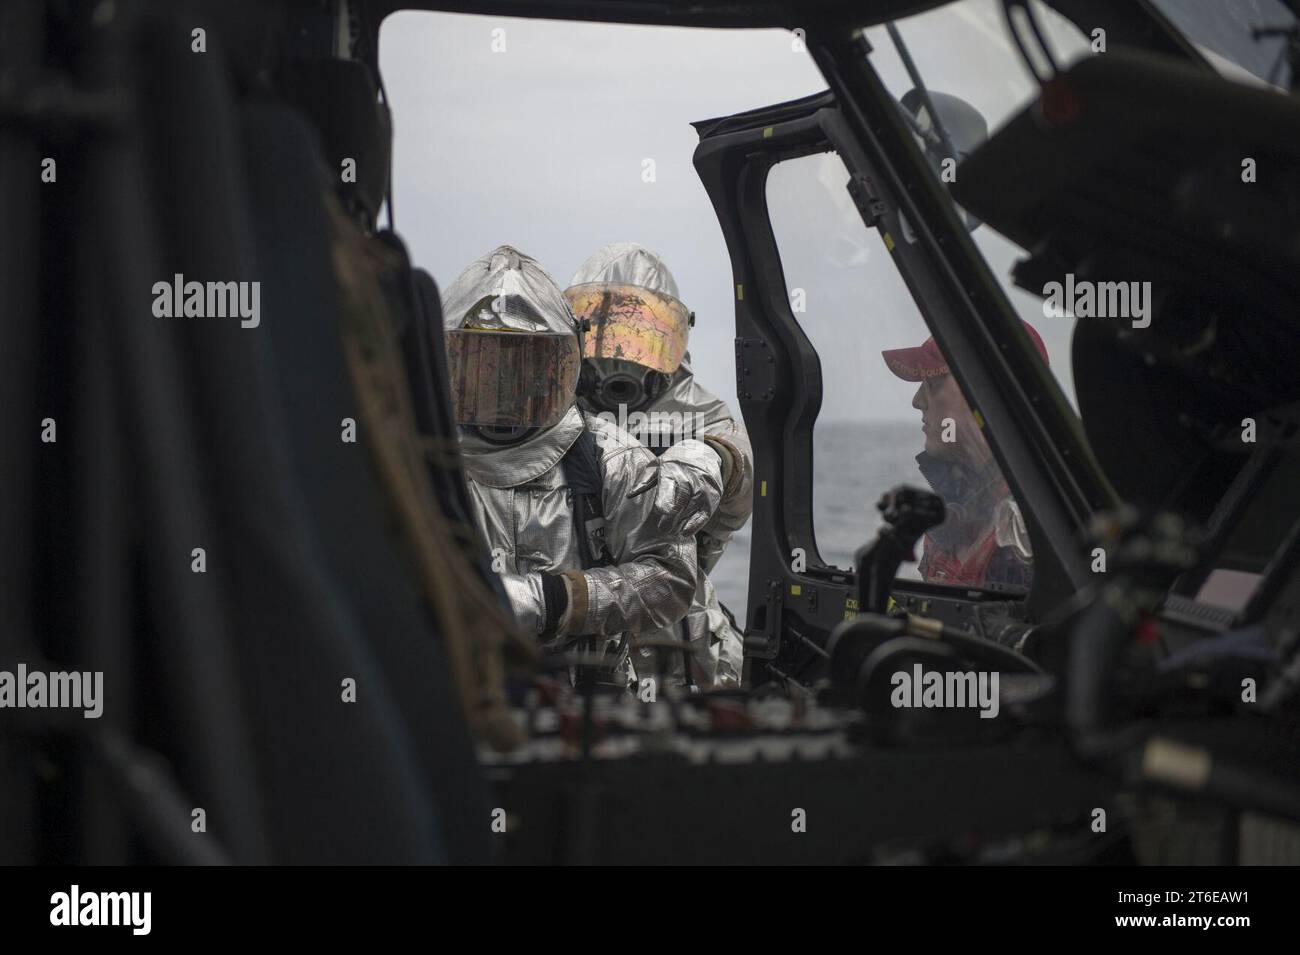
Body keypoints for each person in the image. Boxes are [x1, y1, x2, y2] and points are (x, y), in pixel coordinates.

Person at [441, 245, 698, 682]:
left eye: (525, 368)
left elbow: (671, 580)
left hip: (590, 707)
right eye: (487, 368)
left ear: (566, 364)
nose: (505, 389)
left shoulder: (608, 457)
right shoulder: (419, 460)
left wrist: (562, 600)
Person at [566, 243, 754, 687]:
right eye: (607, 328)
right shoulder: (555, 400)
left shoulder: (698, 412)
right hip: (576, 618)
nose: (621, 349)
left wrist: (711, 459)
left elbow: (740, 472)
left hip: (678, 632)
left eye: (638, 331)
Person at [881, 323, 1048, 590]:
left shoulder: (1034, 527)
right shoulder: (957, 502)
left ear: (987, 394)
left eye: (932, 383)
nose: (917, 401)